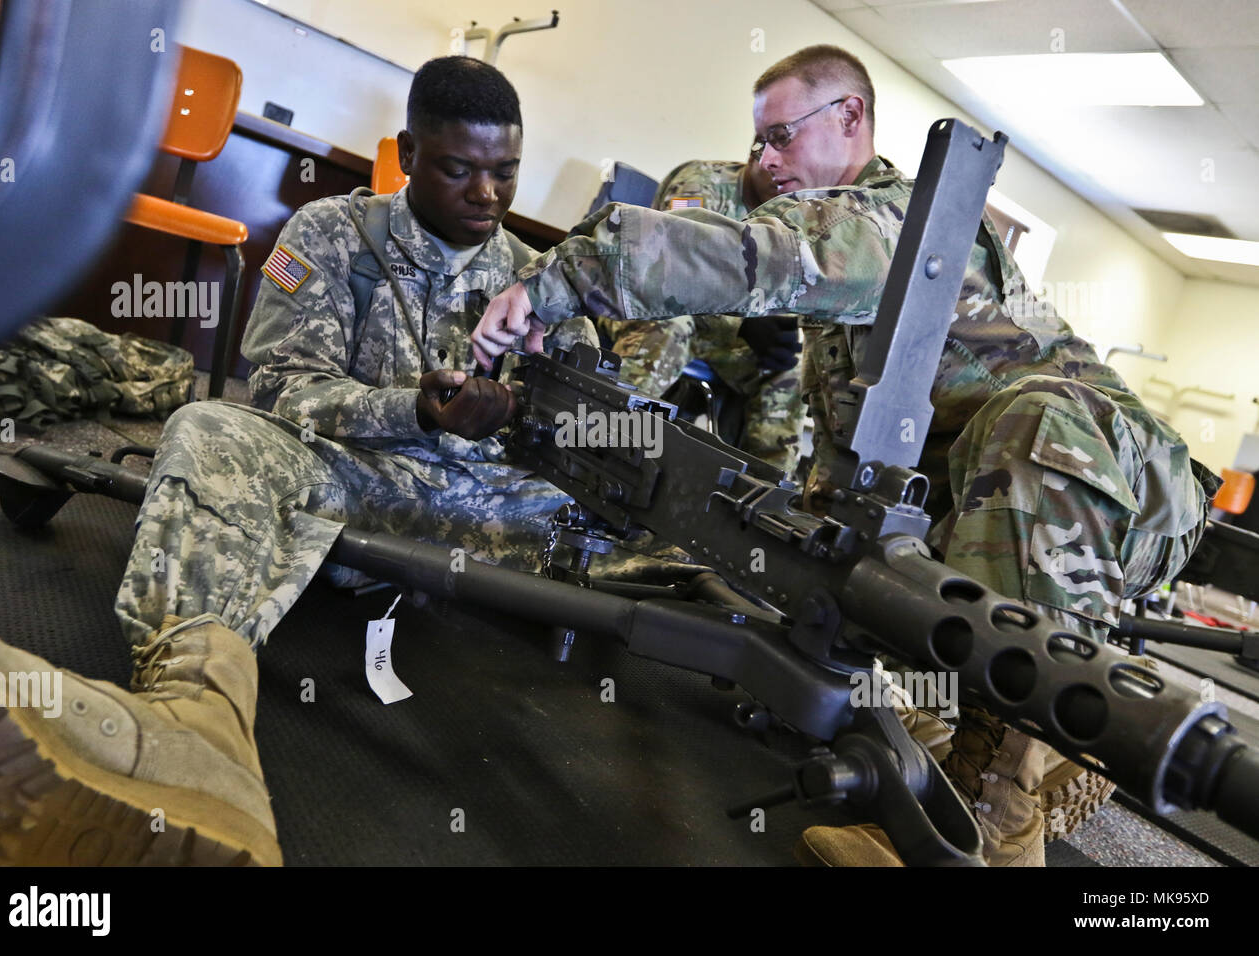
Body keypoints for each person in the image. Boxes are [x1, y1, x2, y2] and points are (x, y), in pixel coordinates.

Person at [470, 45, 1216, 867]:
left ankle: (998, 821)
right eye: (758, 142)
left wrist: (557, 279)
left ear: (850, 116)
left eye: (781, 136)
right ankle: (960, 729)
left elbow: (752, 256)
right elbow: (845, 473)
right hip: (1000, 488)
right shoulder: (851, 284)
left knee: (1037, 424)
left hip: (1122, 485)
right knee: (848, 531)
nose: (765, 160)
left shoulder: (894, 224)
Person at [0, 56, 594, 866]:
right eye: (459, 169)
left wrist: (533, 418)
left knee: (634, 524)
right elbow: (284, 387)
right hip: (355, 478)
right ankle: (198, 724)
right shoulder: (332, 234)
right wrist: (416, 409)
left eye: (506, 172)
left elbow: (584, 434)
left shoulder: (543, 283)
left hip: (493, 507)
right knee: (210, 427)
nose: (488, 195)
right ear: (408, 153)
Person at [601, 152, 804, 474]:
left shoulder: (787, 214)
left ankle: (765, 487)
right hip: (641, 303)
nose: (788, 184)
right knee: (670, 327)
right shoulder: (699, 186)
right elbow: (670, 270)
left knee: (789, 371)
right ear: (758, 154)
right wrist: (742, 324)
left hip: (716, 333)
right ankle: (602, 444)